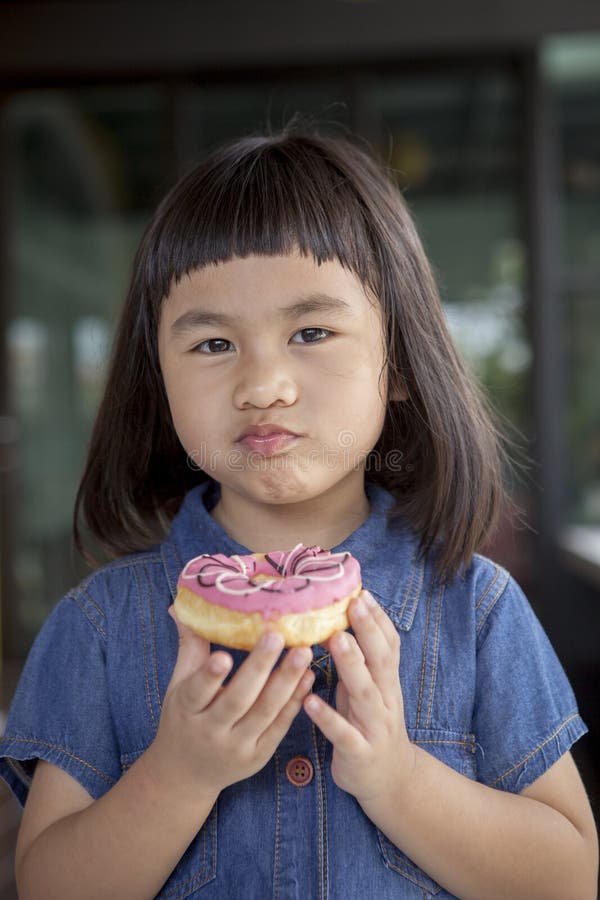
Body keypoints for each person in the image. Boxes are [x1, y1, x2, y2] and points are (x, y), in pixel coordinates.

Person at [0, 127, 597, 900]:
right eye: (213, 344)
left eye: (311, 332)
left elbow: (569, 878)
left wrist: (399, 781)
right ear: (159, 382)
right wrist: (177, 776)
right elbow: (46, 885)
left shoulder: (477, 610)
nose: (264, 385)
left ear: (401, 367)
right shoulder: (102, 626)